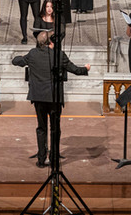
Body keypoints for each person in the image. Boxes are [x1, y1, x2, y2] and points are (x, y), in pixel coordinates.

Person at [12, 30, 90, 168]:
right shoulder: (59, 55)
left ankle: (41, 159)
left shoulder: (33, 54)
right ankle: (54, 160)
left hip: (39, 98)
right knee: (55, 128)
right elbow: (76, 70)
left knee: (41, 128)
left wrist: (18, 58)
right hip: (54, 98)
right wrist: (86, 68)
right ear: (51, 42)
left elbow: (17, 61)